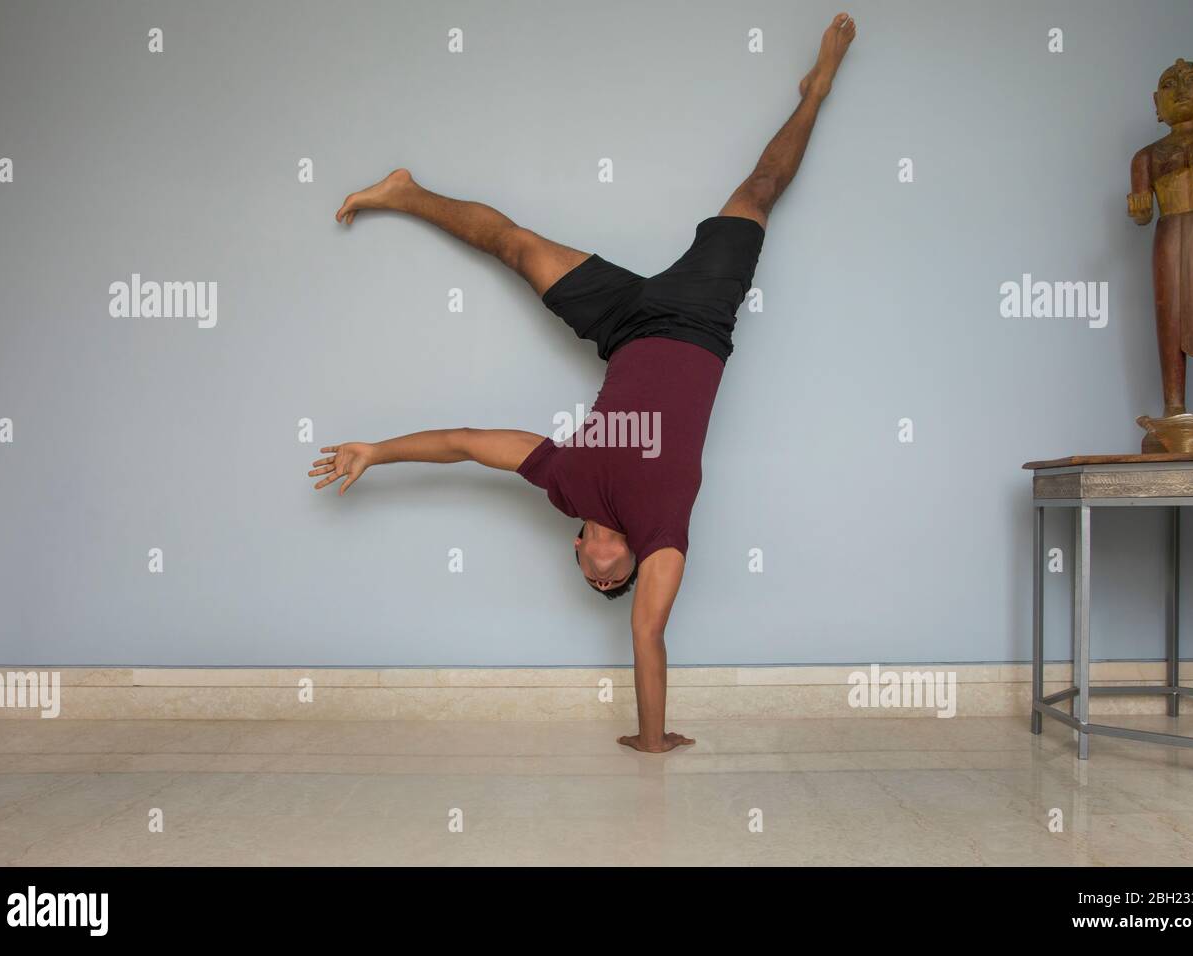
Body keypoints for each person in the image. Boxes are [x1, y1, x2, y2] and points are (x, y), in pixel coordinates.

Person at [310, 13, 858, 752]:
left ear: (576, 552)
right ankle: (815, 91)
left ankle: (405, 191)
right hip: (699, 320)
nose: (605, 580)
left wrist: (376, 449)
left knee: (518, 246)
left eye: (592, 583)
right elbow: (649, 637)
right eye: (614, 584)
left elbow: (465, 443)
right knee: (759, 191)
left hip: (626, 325)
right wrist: (653, 740)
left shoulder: (566, 481)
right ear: (632, 564)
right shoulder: (663, 532)